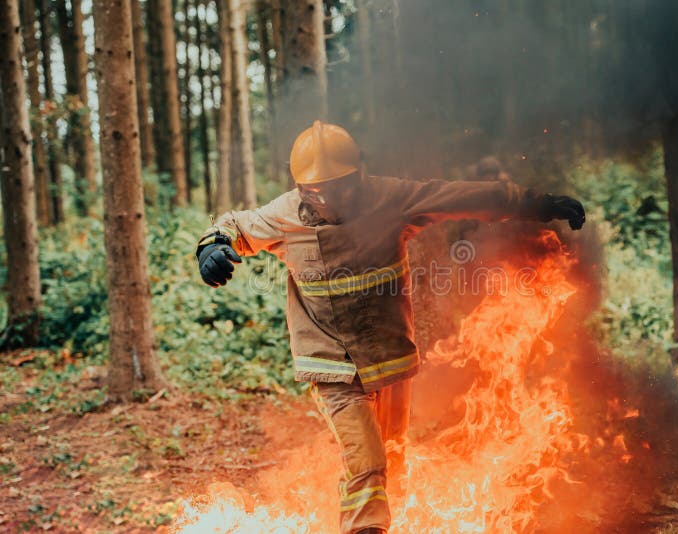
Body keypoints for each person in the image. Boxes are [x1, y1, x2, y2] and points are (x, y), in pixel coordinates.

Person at [195, 121, 585, 534]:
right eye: (320, 191)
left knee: (391, 461)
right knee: (367, 461)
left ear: (358, 176)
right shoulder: (285, 215)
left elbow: (460, 196)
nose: (334, 198)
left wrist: (533, 204)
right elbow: (236, 226)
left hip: (389, 358)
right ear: (303, 189)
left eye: (343, 186)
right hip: (331, 366)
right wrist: (213, 246)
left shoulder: (390, 198)